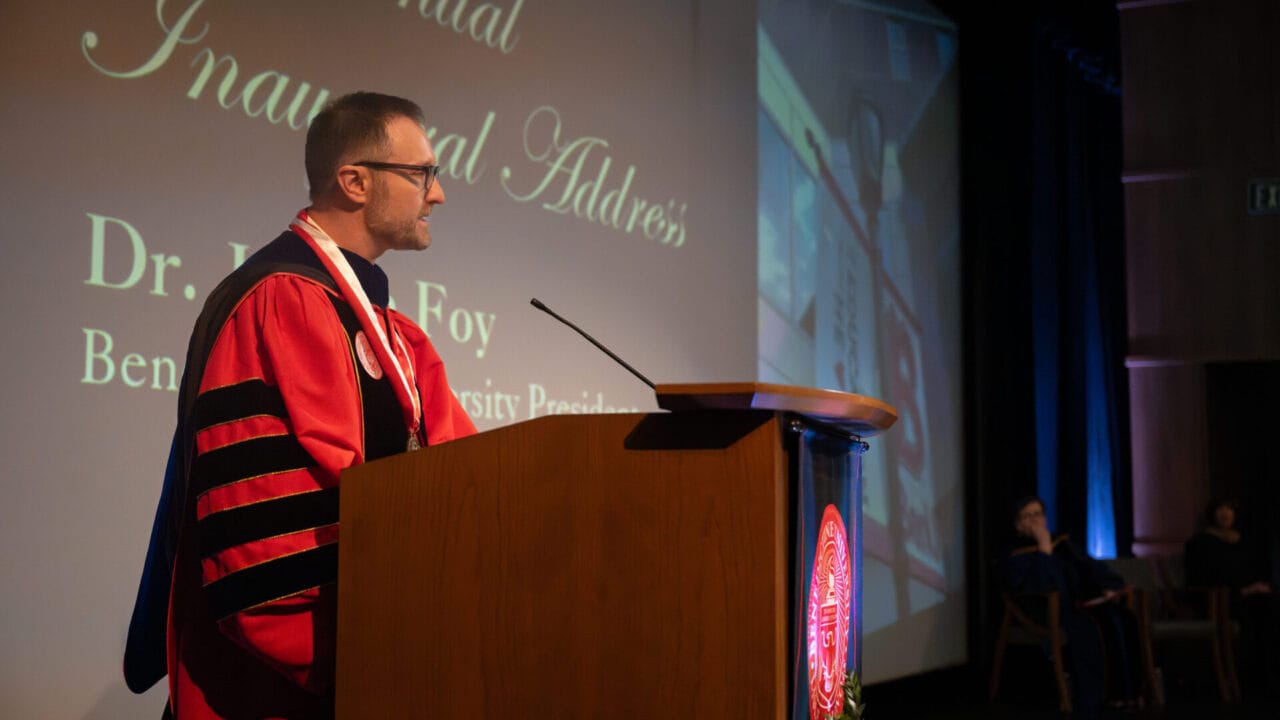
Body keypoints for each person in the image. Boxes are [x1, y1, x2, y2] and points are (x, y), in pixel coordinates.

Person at [121, 91, 477, 719]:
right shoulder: (280, 301)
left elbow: (471, 474)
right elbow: (273, 531)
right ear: (354, 182)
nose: (438, 194)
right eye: (423, 174)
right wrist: (378, 648)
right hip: (282, 687)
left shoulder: (397, 336)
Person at [998, 495, 1142, 715]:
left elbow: (1090, 568)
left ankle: (1127, 694)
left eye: (1038, 514)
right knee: (1089, 625)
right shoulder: (1014, 554)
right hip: (1045, 611)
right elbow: (1039, 586)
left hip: (1079, 605)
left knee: (1122, 616)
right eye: (1028, 516)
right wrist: (1044, 551)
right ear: (1017, 524)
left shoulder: (1063, 543)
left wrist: (1108, 586)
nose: (1036, 521)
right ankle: (1096, 697)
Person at [1184, 497, 1280, 699]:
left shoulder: (1245, 541)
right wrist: (1242, 591)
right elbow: (1202, 578)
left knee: (1268, 605)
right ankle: (1252, 678)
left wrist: (1260, 586)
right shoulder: (1202, 543)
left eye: (1229, 508)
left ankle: (1269, 675)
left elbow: (1255, 570)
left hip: (1252, 595)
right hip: (1219, 600)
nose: (1225, 513)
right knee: (1255, 610)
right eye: (1220, 508)